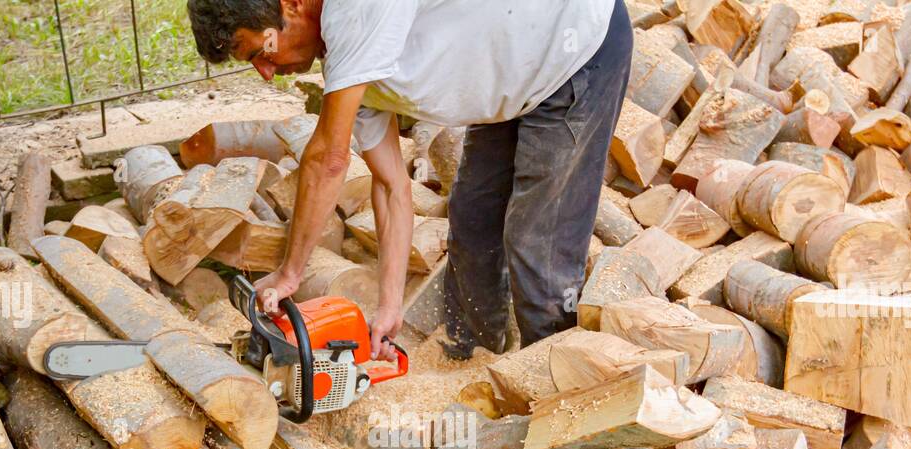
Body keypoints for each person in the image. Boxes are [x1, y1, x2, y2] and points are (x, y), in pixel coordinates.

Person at [187, 0, 632, 359]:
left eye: (259, 52)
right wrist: (389, 308)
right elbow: (391, 186)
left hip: (574, 47)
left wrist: (290, 273)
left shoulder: (353, 10)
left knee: (538, 243)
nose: (265, 72)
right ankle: (473, 358)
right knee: (473, 217)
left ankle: (556, 387)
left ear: (292, 5)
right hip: (516, 68)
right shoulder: (349, 63)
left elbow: (328, 159)